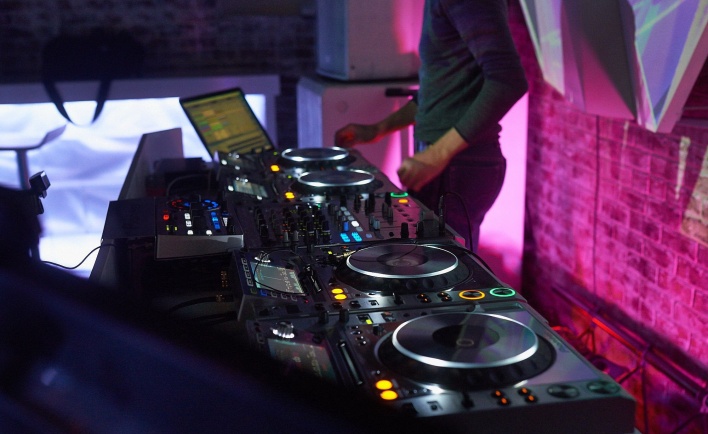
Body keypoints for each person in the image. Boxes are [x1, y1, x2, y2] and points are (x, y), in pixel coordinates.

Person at [334, 0, 527, 252]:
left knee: (448, 267)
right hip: (451, 163)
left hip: (459, 165)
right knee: (435, 263)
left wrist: (437, 155)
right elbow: (437, 93)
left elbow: (509, 80)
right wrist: (378, 129)